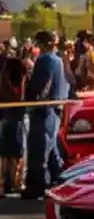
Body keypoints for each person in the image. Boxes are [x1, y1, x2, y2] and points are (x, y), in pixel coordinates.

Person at [23, 31, 69, 198]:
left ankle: (37, 185)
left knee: (39, 148)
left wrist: (30, 100)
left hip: (44, 109)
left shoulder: (46, 60)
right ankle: (59, 180)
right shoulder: (58, 60)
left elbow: (40, 85)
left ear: (44, 44)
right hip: (55, 107)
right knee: (51, 149)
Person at [0, 50, 29, 194]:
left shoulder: (3, 82)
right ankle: (15, 182)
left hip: (5, 119)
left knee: (5, 153)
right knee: (17, 153)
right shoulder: (18, 86)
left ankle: (4, 182)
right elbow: (20, 96)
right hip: (17, 119)